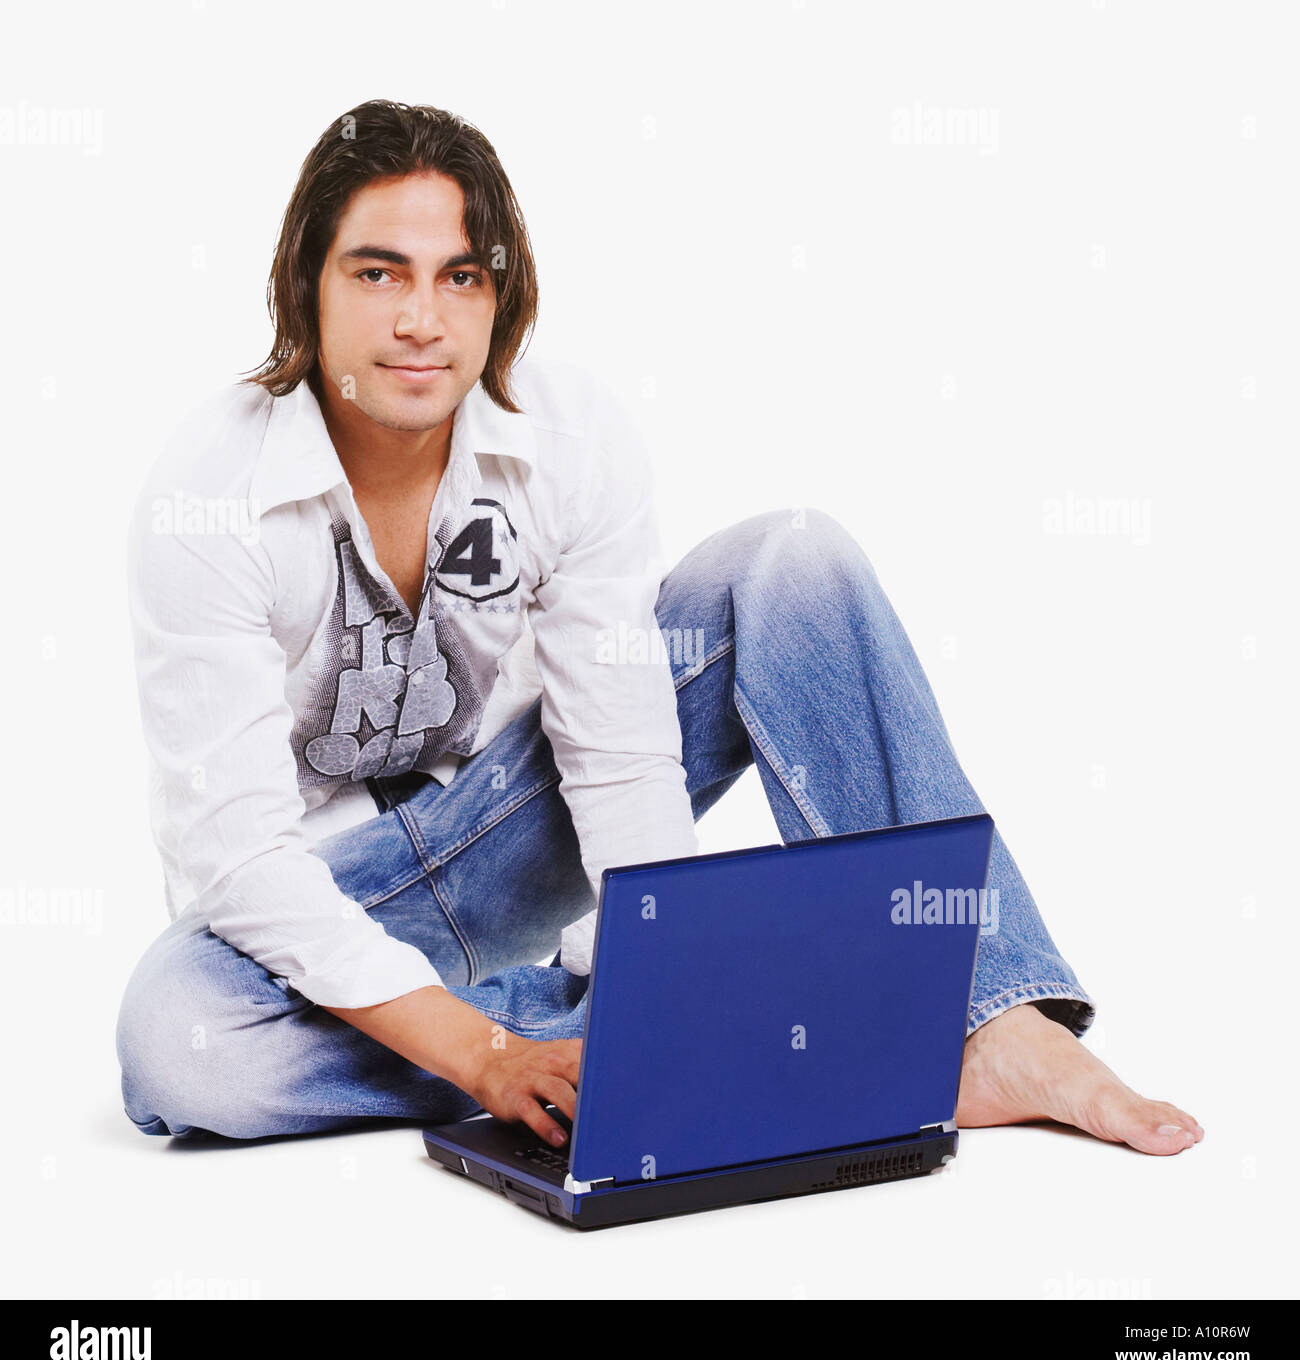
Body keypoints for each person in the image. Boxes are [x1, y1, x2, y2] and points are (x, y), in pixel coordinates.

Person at [116, 99, 1202, 1158]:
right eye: (376, 271)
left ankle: (988, 1014)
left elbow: (621, 747)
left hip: (500, 831)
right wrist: (484, 1051)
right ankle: (719, 1032)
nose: (419, 319)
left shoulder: (570, 439)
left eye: (461, 275)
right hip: (318, 898)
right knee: (182, 1046)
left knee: (792, 558)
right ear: (305, 284)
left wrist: (658, 957)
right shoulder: (211, 491)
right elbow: (243, 857)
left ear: (503, 296)